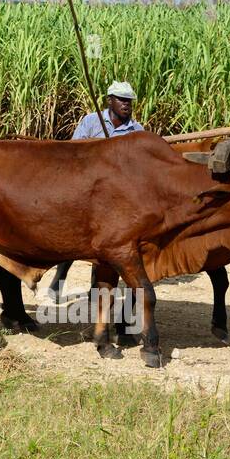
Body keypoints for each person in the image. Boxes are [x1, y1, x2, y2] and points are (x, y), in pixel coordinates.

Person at [41, 80, 145, 303]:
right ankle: (59, 278)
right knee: (75, 237)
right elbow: (73, 152)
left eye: (129, 101)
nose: (127, 104)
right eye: (122, 100)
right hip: (89, 189)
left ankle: (96, 288)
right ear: (110, 101)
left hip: (118, 195)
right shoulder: (91, 121)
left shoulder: (136, 131)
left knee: (107, 244)